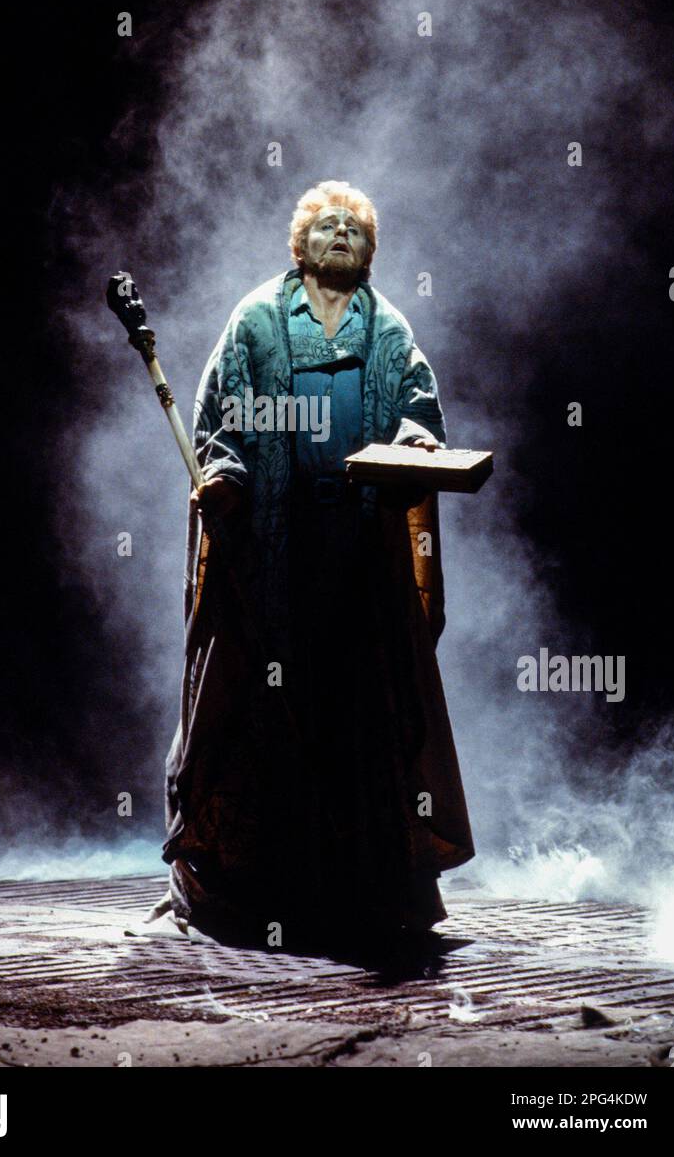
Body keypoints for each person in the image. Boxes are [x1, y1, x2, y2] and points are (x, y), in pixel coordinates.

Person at [151, 180, 474, 957]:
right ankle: (246, 891)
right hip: (273, 548)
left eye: (353, 230)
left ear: (369, 251)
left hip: (356, 552)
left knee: (359, 711)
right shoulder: (258, 320)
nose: (338, 238)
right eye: (324, 228)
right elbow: (221, 415)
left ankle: (367, 893)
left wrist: (417, 442)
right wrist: (225, 474)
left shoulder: (387, 328)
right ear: (298, 245)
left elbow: (418, 410)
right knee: (258, 703)